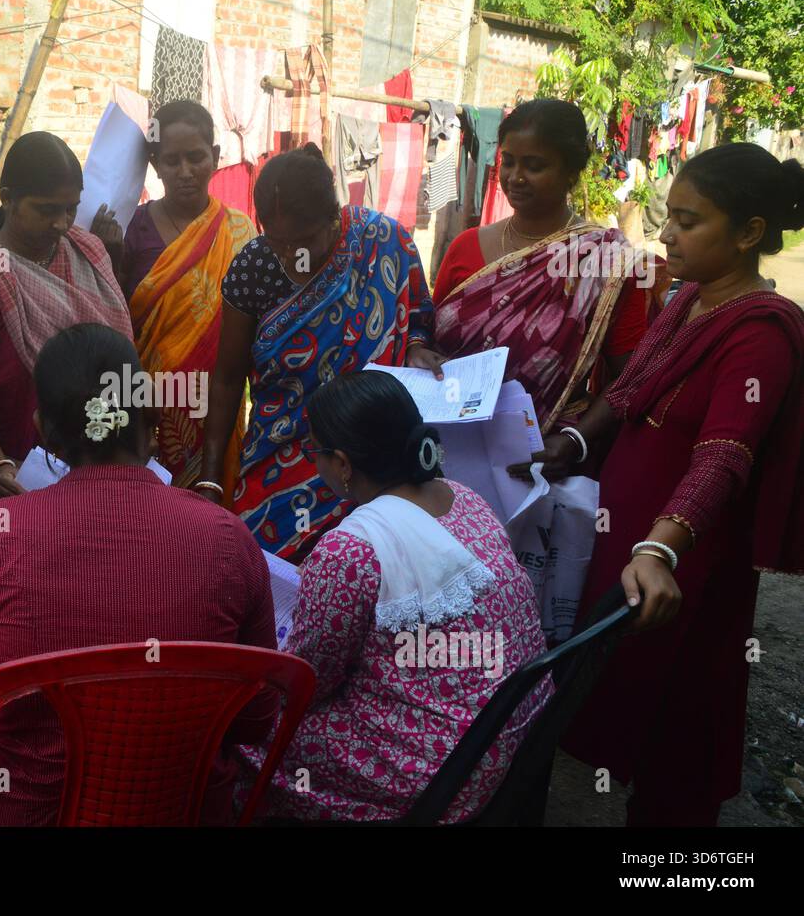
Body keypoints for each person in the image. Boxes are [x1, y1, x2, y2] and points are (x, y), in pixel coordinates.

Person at [0, 323, 278, 825]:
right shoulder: (228, 541)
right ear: (149, 421)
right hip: (179, 811)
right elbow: (255, 721)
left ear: (44, 431)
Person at [551, 143, 804, 826]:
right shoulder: (690, 296)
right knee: (616, 686)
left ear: (748, 233)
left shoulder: (762, 335)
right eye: (670, 216)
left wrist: (661, 548)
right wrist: (573, 440)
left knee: (679, 723)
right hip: (628, 545)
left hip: (688, 565)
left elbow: (724, 455)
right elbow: (634, 386)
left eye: (688, 221)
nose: (665, 233)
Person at [234, 371, 551, 822]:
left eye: (316, 452)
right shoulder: (464, 497)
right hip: (515, 729)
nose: (315, 464)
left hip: (445, 770)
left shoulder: (350, 551)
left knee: (243, 726)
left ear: (343, 464)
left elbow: (306, 684)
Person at [196, 143, 444, 560]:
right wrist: (211, 478)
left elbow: (417, 313)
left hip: (370, 460)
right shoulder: (255, 267)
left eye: (303, 241)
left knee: (364, 566)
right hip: (278, 451)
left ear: (335, 218)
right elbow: (226, 379)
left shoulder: (385, 242)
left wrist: (417, 346)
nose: (290, 256)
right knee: (263, 568)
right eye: (276, 242)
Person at [433, 99, 652, 434]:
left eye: (534, 166)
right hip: (450, 437)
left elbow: (630, 375)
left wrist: (575, 441)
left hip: (547, 449)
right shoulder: (465, 247)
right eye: (508, 162)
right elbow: (430, 342)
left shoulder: (608, 259)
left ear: (571, 174)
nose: (515, 178)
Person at [0, 131, 130, 516]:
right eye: (46, 210)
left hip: (95, 470)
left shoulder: (90, 253)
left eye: (71, 209)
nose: (62, 224)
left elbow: (115, 355)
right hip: (17, 480)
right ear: (8, 198)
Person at [123, 100, 256, 491]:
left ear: (214, 157)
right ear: (155, 164)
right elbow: (115, 319)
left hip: (218, 404)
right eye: (171, 161)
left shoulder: (239, 230)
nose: (184, 172)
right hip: (146, 407)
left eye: (196, 158)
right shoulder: (132, 229)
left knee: (207, 511)